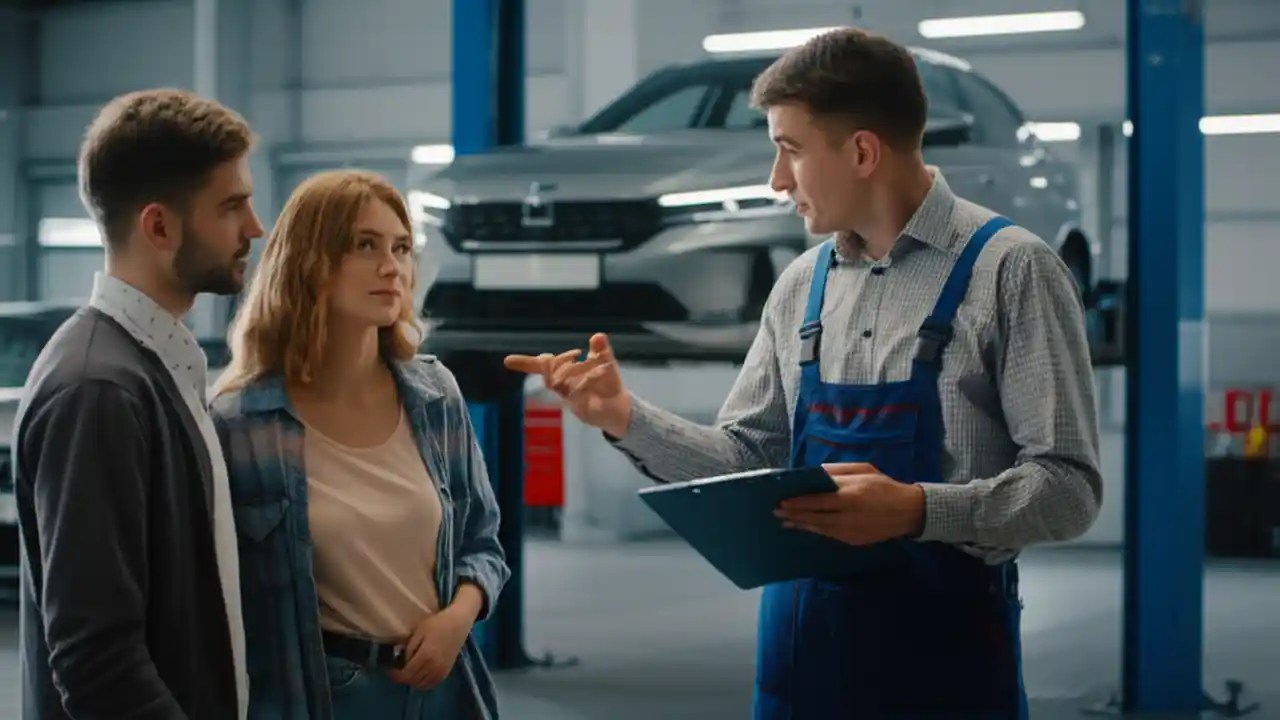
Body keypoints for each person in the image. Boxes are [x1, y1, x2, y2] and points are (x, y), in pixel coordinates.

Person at [505, 27, 1102, 719]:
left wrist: (917, 511)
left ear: (862, 152)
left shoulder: (1013, 272)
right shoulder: (801, 286)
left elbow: (1068, 486)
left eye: (789, 149)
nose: (775, 180)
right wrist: (623, 417)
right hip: (798, 674)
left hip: (948, 677)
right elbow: (748, 457)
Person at [209, 169, 510, 720]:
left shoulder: (435, 394)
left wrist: (458, 617)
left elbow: (483, 545)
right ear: (309, 263)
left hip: (446, 691)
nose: (392, 267)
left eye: (400, 248)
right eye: (364, 246)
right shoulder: (240, 422)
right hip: (323, 697)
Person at [11, 89, 262, 719]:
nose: (254, 228)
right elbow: (98, 661)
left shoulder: (152, 367)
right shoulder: (98, 389)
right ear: (158, 225)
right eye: (232, 206)